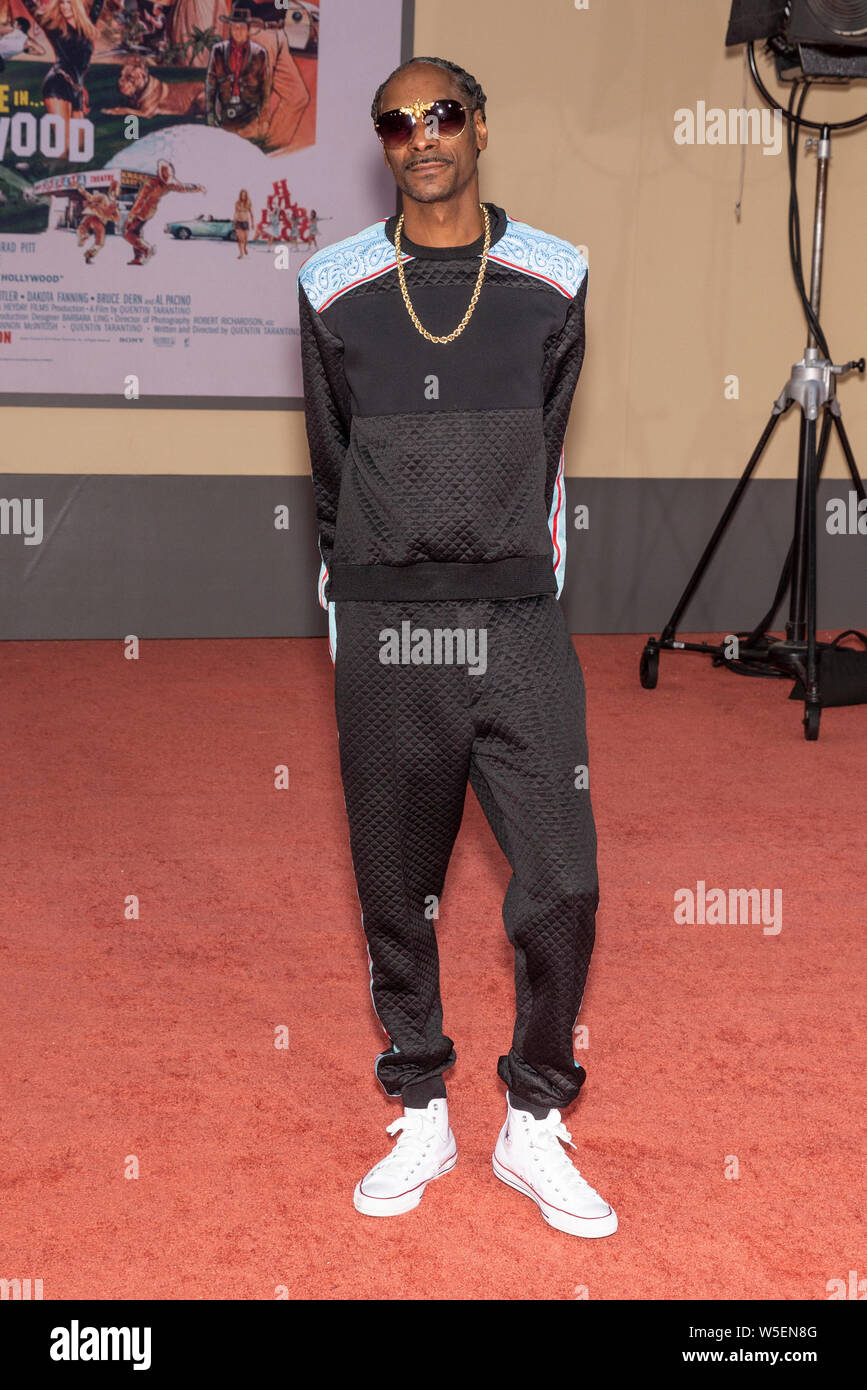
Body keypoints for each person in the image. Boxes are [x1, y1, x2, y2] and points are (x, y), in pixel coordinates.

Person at [297, 57, 617, 1240]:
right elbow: (332, 462)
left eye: (441, 114)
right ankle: (420, 1095)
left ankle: (534, 1117)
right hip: (385, 623)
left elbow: (546, 438)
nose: (421, 135)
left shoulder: (557, 273)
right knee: (398, 885)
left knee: (567, 880)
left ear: (481, 124)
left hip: (519, 620)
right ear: (382, 143)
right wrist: (355, 599)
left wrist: (513, 561)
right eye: (397, 122)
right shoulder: (332, 284)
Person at [17, 0, 104, 156]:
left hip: (76, 88)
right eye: (61, 3)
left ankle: (71, 177)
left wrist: (81, 88)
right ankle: (53, 177)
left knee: (80, 149)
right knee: (64, 147)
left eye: (68, 3)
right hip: (57, 84)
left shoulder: (87, 24)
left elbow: (98, 3)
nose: (64, 7)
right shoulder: (54, 26)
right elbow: (30, 5)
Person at [122, 158, 205, 265]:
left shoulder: (151, 183)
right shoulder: (170, 184)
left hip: (141, 212)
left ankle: (147, 249)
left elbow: (141, 200)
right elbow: (184, 187)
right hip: (151, 211)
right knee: (136, 232)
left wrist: (131, 215)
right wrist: (198, 187)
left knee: (127, 233)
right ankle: (138, 258)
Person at [205, 3, 269, 141]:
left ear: (248, 30)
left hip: (250, 116)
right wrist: (210, 113)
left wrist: (263, 119)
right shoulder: (218, 51)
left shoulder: (259, 53)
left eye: (241, 27)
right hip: (226, 114)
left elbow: (265, 87)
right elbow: (211, 84)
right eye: (234, 27)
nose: (237, 31)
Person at [77, 180, 119, 262]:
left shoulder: (111, 204)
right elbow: (90, 197)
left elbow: (116, 218)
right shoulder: (104, 198)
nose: (113, 194)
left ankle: (84, 241)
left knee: (97, 241)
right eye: (113, 191)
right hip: (95, 217)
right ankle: (87, 249)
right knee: (98, 242)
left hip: (94, 218)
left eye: (115, 192)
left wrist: (108, 215)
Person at [233, 186, 252, 257]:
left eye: (244, 195)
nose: (243, 196)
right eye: (242, 195)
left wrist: (252, 223)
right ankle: (241, 253)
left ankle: (244, 247)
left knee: (246, 239)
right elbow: (236, 213)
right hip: (239, 222)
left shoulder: (248, 203)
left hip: (245, 222)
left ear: (246, 195)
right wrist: (234, 223)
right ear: (240, 195)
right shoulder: (237, 203)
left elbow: (251, 213)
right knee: (240, 239)